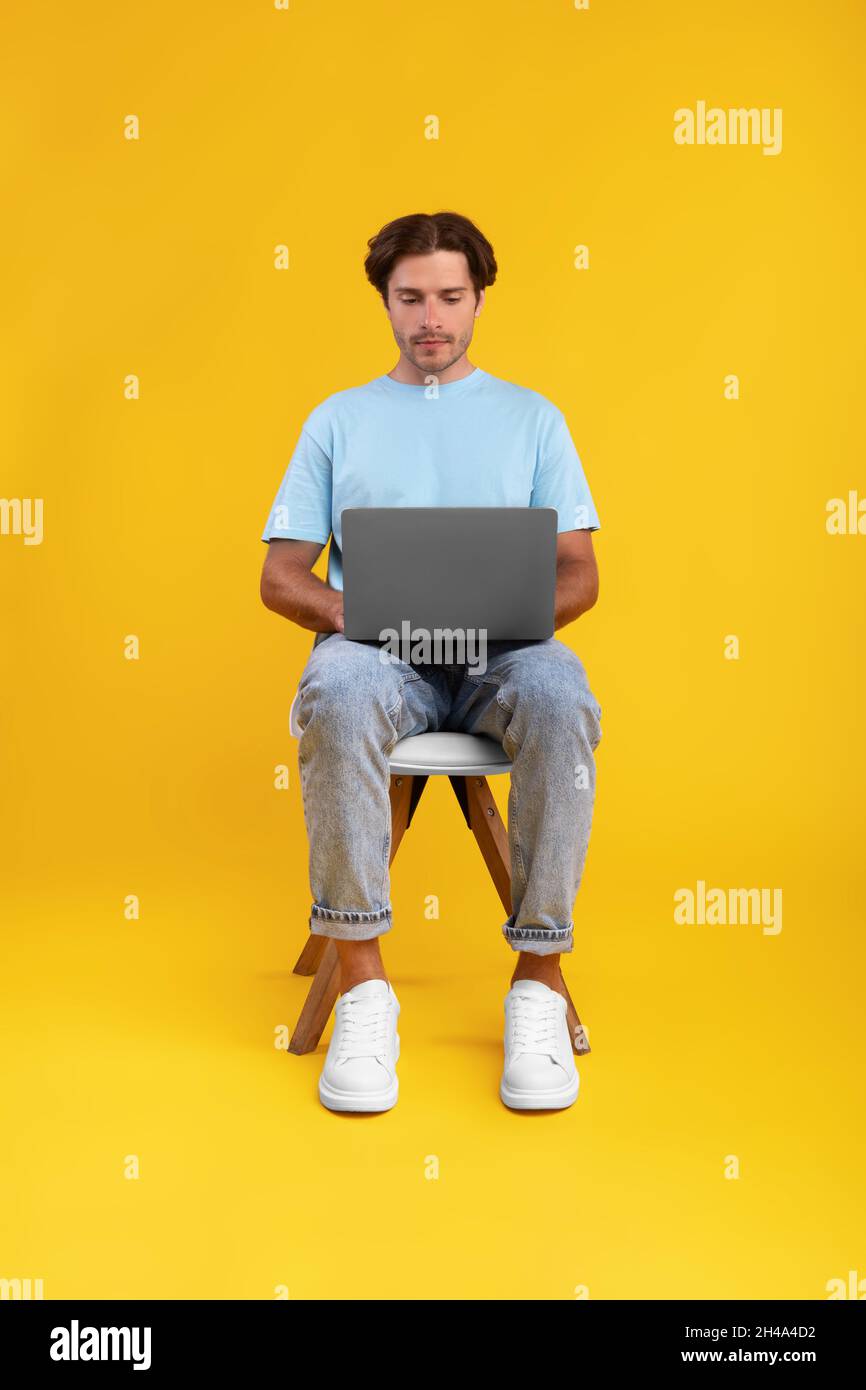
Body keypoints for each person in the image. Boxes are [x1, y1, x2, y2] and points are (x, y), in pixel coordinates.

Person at [259, 211, 602, 1114]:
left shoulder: (534, 420)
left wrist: (502, 621)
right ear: (385, 302)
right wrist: (363, 618)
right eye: (411, 298)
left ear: (480, 300)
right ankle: (366, 991)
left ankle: (537, 981)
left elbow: (582, 573)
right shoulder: (338, 420)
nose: (432, 317)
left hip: (505, 658)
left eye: (451, 296)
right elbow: (281, 575)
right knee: (334, 686)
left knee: (563, 694)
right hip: (382, 660)